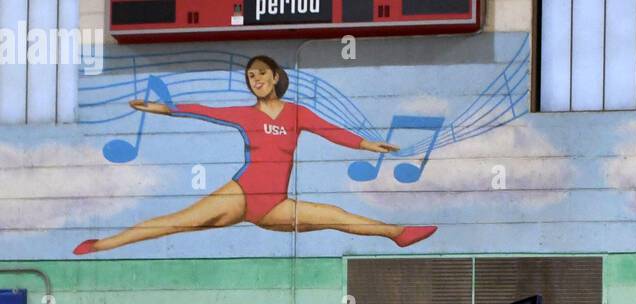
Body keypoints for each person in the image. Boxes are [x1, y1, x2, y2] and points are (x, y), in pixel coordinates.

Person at [74, 55, 437, 254]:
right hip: (241, 194)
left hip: (275, 205)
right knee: (178, 220)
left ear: (275, 76)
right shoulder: (246, 115)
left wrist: (368, 145)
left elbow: (330, 131)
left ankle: (397, 232)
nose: (255, 80)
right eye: (250, 76)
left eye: (260, 73)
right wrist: (160, 108)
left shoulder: (296, 113)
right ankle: (103, 243)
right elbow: (204, 110)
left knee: (334, 215)